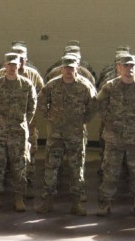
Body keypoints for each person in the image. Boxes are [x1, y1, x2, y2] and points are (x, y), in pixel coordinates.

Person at [94, 54, 135, 216]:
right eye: (125, 66)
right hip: (113, 137)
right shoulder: (110, 86)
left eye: (132, 66)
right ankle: (106, 203)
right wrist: (107, 119)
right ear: (118, 67)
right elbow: (98, 103)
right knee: (110, 171)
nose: (129, 69)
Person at [36, 56, 96, 215]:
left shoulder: (85, 86)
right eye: (66, 68)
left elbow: (93, 106)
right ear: (61, 69)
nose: (69, 71)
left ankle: (76, 203)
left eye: (72, 68)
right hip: (56, 135)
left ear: (77, 68)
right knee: (51, 167)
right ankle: (48, 201)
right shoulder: (52, 85)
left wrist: (83, 120)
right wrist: (49, 117)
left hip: (75, 135)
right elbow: (41, 102)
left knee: (76, 169)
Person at [0, 52, 37, 211]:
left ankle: (19, 198)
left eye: (15, 65)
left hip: (18, 132)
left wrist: (22, 123)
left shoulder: (26, 85)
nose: (12, 68)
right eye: (9, 65)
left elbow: (32, 107)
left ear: (19, 65)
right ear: (5, 66)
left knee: (19, 165)